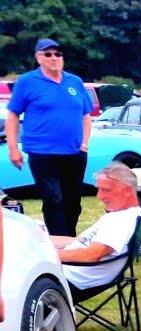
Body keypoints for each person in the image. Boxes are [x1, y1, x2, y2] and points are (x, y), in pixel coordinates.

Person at [5, 39, 96, 238]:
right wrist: (13, 148)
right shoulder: (27, 82)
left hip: (74, 152)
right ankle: (59, 243)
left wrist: (84, 144)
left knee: (73, 201)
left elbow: (86, 116)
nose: (54, 58)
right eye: (48, 54)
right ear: (38, 58)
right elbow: (12, 116)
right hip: (42, 152)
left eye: (57, 54)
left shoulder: (74, 82)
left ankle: (69, 239)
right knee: (53, 199)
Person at [47, 162, 141, 292]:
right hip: (68, 272)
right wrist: (38, 238)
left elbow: (91, 255)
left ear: (127, 190)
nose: (99, 196)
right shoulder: (126, 215)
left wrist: (43, 255)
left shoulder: (121, 221)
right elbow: (79, 241)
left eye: (106, 190)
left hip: (71, 279)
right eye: (99, 189)